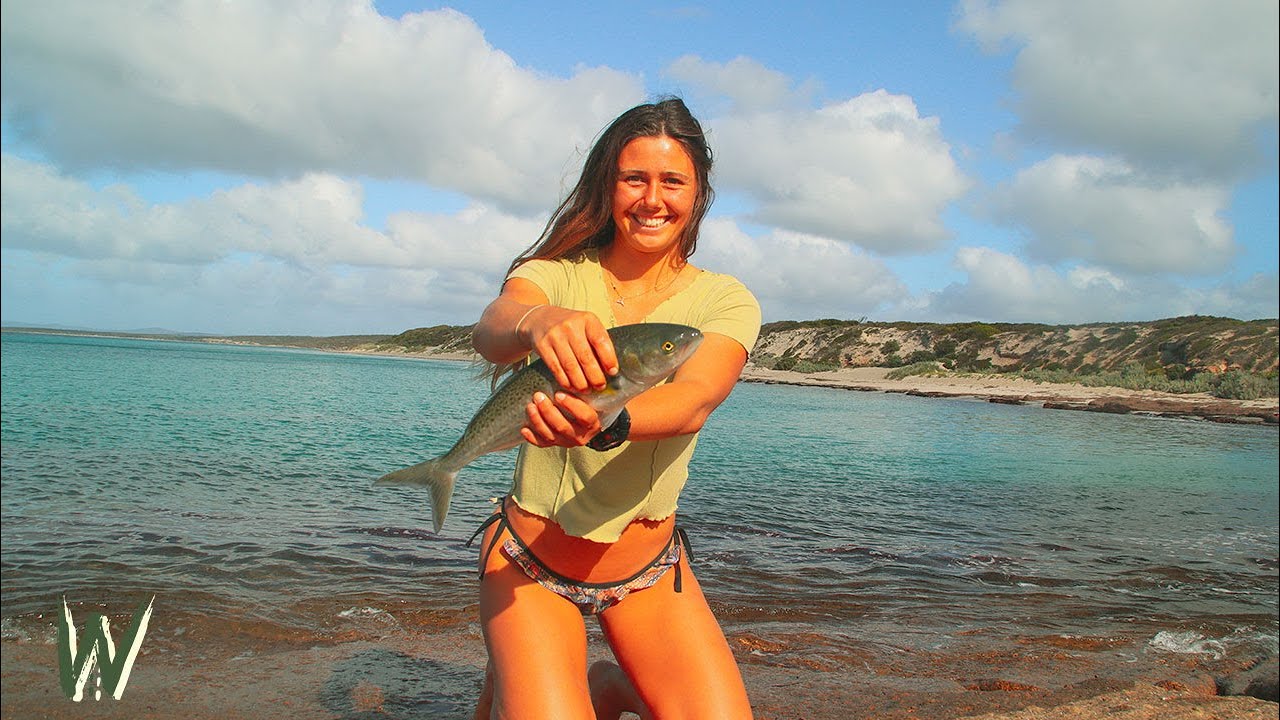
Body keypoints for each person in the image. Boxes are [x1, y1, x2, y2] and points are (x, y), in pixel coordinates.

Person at [469, 97, 761, 719]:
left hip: (650, 568)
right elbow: (491, 329)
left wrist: (607, 422)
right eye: (635, 178)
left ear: (699, 191)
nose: (652, 199)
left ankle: (609, 686)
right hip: (530, 560)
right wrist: (534, 319)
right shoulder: (551, 275)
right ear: (610, 184)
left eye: (672, 181)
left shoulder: (722, 300)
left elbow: (692, 401)